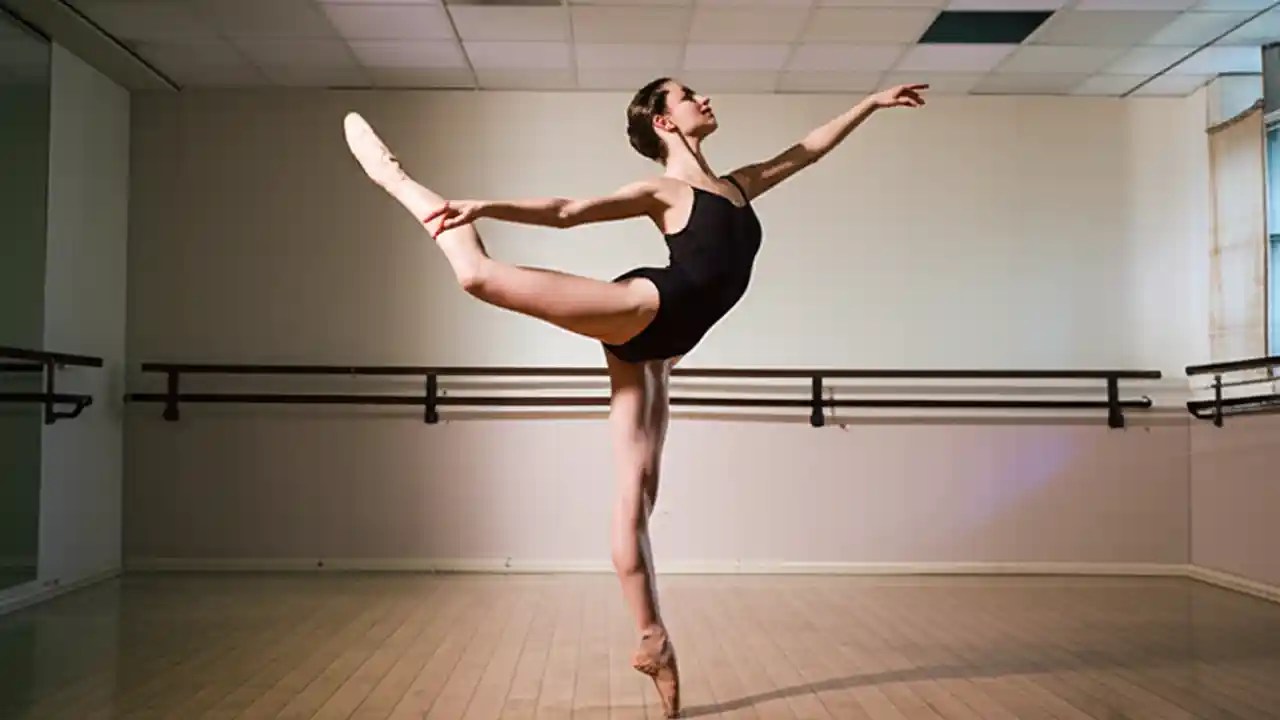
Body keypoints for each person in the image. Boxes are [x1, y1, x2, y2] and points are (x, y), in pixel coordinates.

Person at [342, 77, 927, 717]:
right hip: (645, 308)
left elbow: (808, 150)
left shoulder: (738, 187)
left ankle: (653, 640)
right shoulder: (665, 192)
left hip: (665, 347)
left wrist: (871, 103)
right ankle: (399, 180)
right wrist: (486, 206)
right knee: (476, 275)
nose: (704, 98)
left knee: (638, 494)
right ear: (663, 122)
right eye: (688, 95)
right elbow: (569, 211)